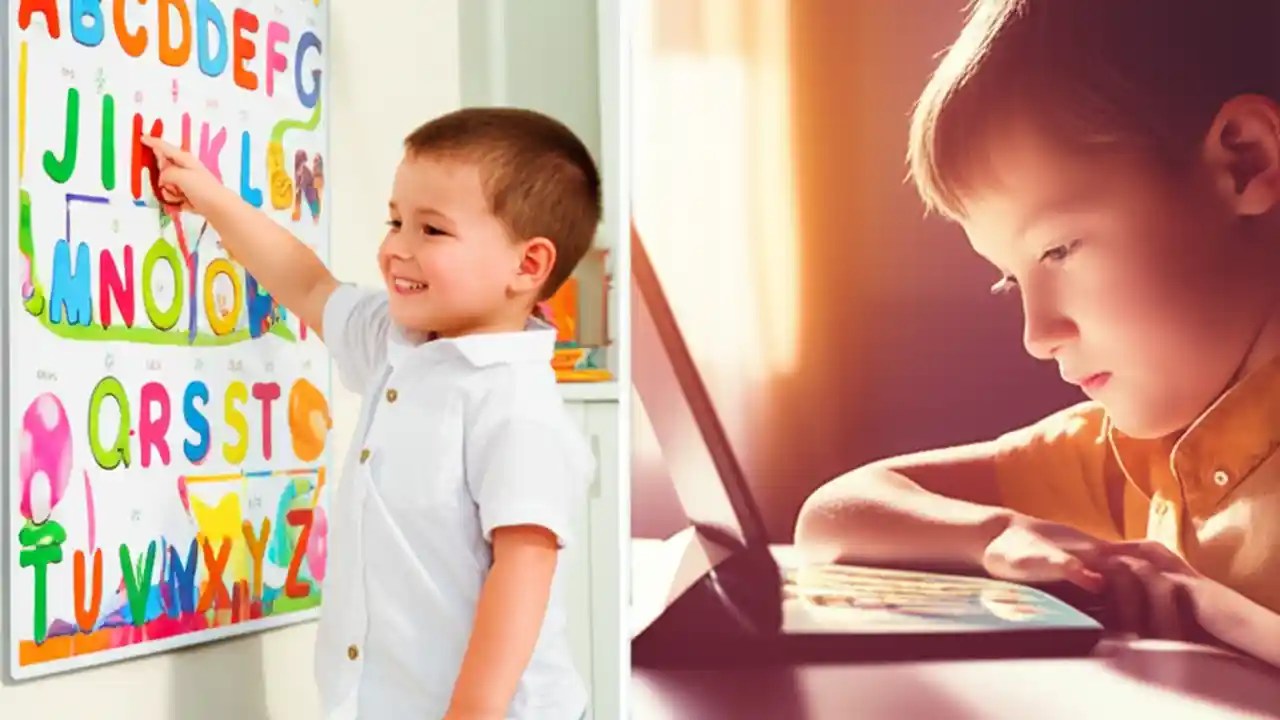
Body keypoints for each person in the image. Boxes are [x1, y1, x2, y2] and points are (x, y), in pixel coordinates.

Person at [794, 0, 1280, 666]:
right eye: (1011, 280)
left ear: (1245, 162)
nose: (1037, 333)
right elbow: (834, 515)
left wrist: (1214, 614)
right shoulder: (1139, 454)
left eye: (1058, 250)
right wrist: (997, 535)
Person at [144, 105, 600, 718]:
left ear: (528, 265)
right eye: (395, 221)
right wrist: (210, 198)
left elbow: (524, 569)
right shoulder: (396, 342)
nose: (394, 249)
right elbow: (307, 285)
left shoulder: (516, 405)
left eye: (431, 230)